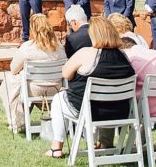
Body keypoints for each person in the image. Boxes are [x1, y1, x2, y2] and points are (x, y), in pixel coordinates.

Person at [45, 16, 137, 159]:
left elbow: (65, 74)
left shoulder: (86, 53)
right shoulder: (123, 55)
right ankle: (105, 144)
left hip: (91, 111)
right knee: (108, 99)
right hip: (120, 112)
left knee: (58, 99)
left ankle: (56, 147)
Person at [0, 13, 64, 131]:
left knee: (11, 79)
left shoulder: (27, 47)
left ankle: (18, 120)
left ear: (33, 29)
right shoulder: (59, 47)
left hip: (34, 90)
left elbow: (13, 69)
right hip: (56, 88)